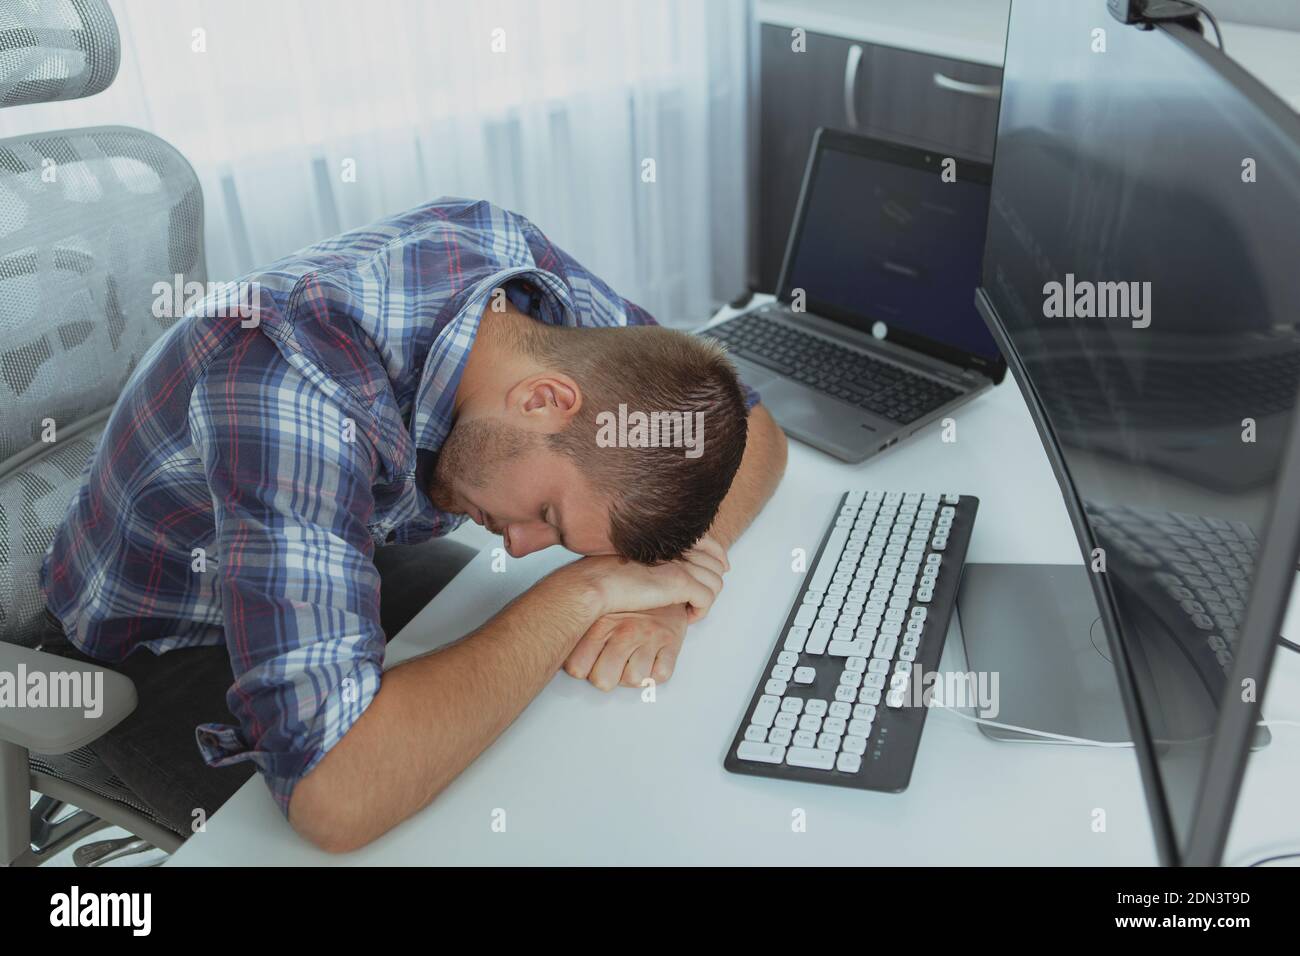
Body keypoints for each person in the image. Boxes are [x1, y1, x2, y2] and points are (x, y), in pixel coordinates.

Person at [41, 198, 787, 851]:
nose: (523, 545)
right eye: (549, 515)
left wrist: (667, 585)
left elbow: (748, 428)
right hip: (159, 643)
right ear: (542, 402)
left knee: (567, 766)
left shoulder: (527, 302)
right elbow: (336, 799)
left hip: (341, 541)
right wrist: (583, 592)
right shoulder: (291, 383)